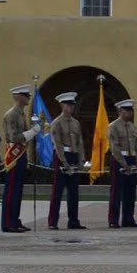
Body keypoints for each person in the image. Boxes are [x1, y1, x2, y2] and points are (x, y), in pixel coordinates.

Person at [2, 84, 39, 233]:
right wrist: (31, 133)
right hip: (14, 154)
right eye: (25, 95)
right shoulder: (12, 114)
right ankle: (8, 223)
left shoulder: (21, 113)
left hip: (20, 153)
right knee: (12, 189)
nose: (28, 98)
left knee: (18, 189)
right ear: (18, 97)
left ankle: (15, 220)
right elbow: (14, 137)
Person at [48, 91, 86, 230]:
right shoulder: (56, 123)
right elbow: (57, 144)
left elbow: (80, 142)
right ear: (62, 105)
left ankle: (73, 221)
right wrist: (64, 162)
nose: (71, 107)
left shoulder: (75, 123)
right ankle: (53, 222)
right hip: (61, 157)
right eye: (68, 105)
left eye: (72, 105)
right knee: (57, 191)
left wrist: (81, 159)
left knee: (74, 192)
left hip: (73, 155)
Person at [107, 99, 137, 228]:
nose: (130, 113)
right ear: (120, 111)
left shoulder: (132, 127)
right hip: (119, 160)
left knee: (130, 191)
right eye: (127, 111)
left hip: (132, 159)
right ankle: (113, 220)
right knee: (116, 191)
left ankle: (128, 219)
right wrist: (123, 163)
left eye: (131, 111)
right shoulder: (113, 126)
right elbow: (114, 147)